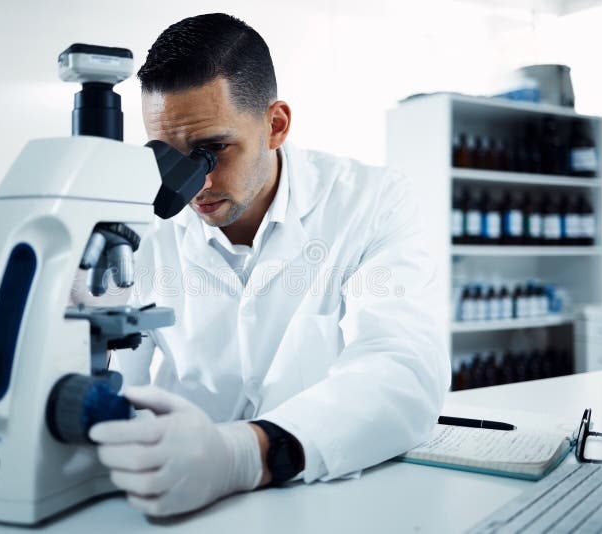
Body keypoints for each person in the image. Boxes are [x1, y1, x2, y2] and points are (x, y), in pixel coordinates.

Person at [89, 12, 450, 517]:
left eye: (211, 152)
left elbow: (403, 369)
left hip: (321, 500)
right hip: (176, 499)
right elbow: (111, 373)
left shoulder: (372, 202)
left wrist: (244, 455)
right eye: (166, 156)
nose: (191, 185)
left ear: (275, 125)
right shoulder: (139, 221)